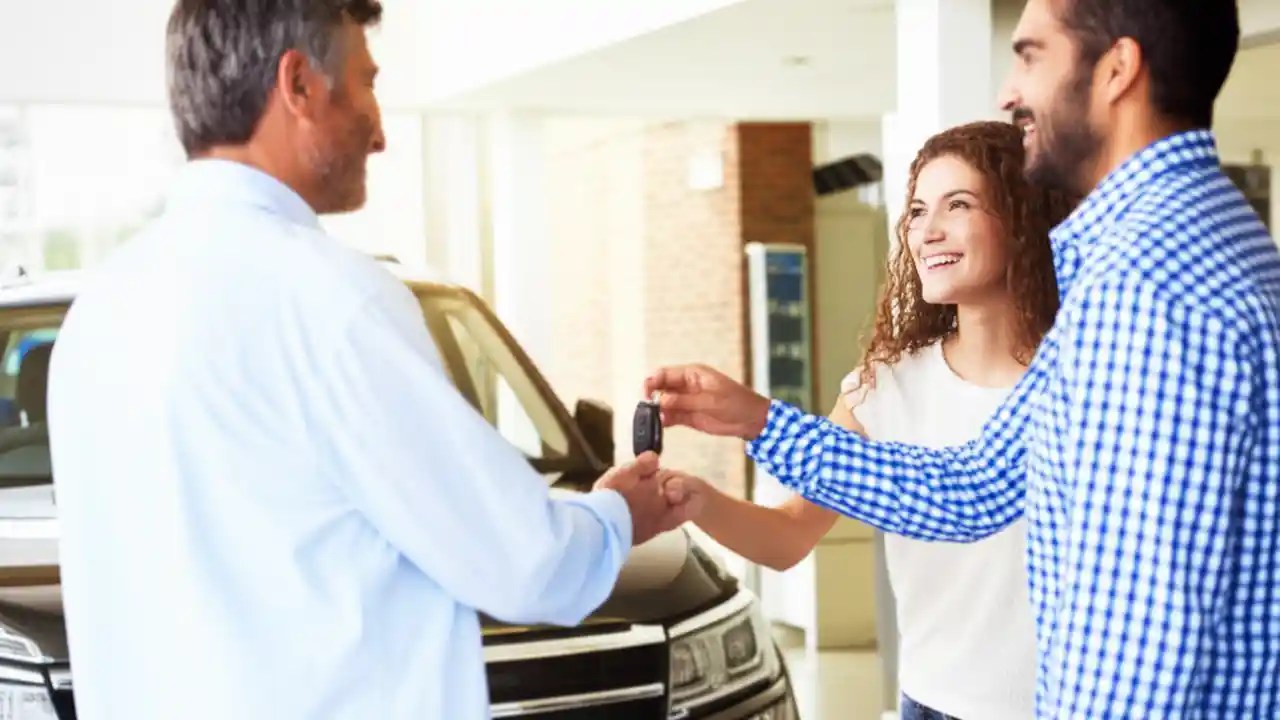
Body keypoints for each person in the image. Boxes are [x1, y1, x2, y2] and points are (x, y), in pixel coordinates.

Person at [47, 2, 688, 718]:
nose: (380, 133)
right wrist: (618, 514)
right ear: (298, 85)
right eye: (366, 82)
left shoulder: (100, 313)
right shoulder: (332, 301)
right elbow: (525, 563)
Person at [650, 0, 1280, 717]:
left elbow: (1138, 655)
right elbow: (971, 486)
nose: (1010, 91)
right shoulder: (1188, 252)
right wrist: (762, 421)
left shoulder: (1144, 289)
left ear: (1117, 70)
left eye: (1031, 55)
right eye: (918, 210)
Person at [664, 121, 1075, 720]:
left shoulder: (1085, 377)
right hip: (931, 706)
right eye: (915, 210)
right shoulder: (885, 387)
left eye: (958, 205)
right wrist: (697, 500)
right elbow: (786, 537)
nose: (926, 231)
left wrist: (759, 420)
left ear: (1022, 219)